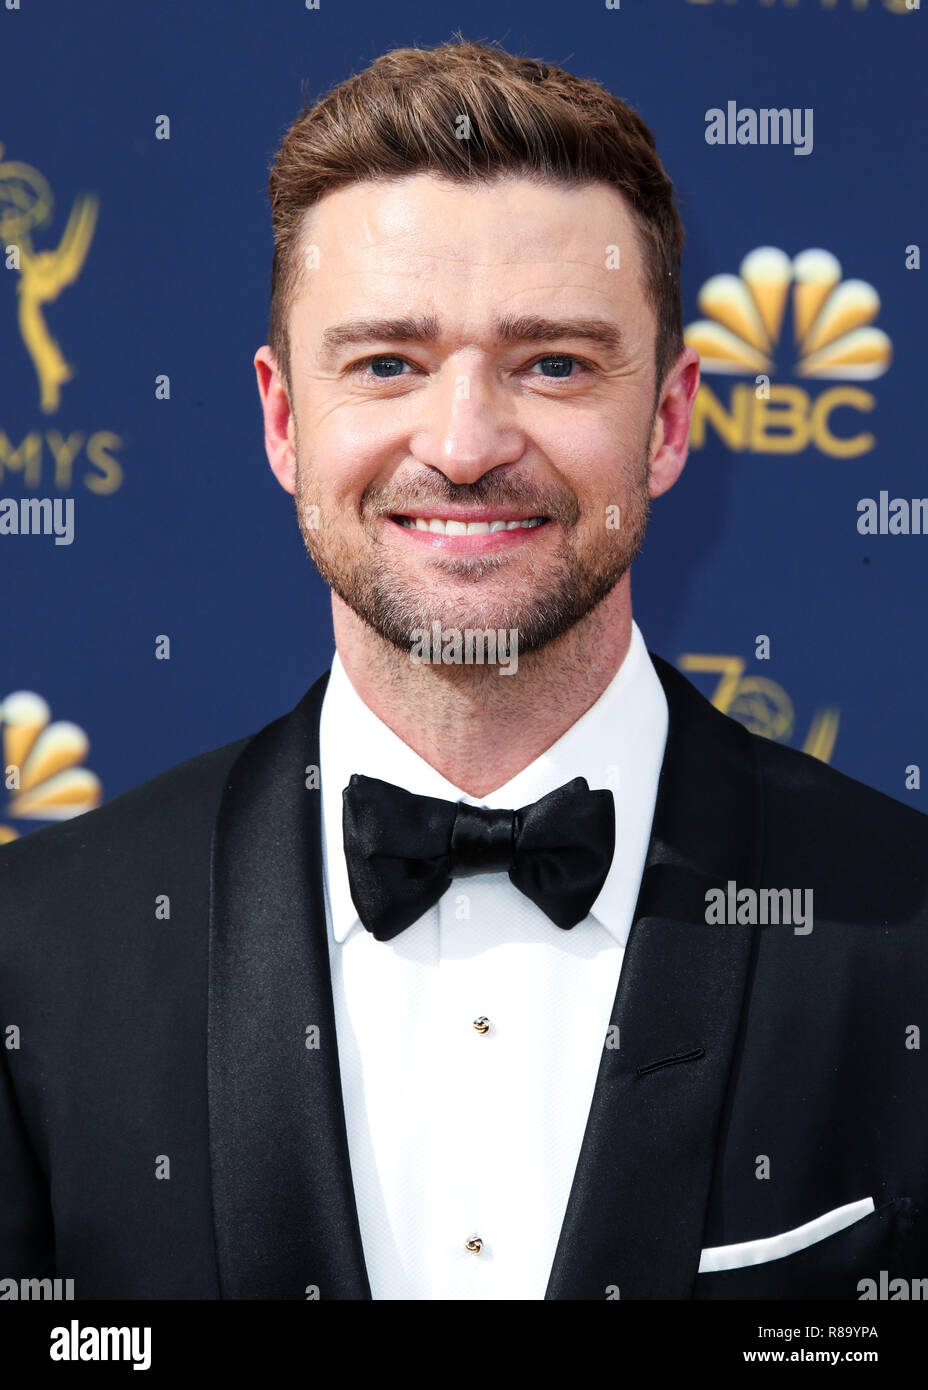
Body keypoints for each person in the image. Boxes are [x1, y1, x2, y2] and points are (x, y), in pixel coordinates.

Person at [1, 38, 926, 1302]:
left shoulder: (904, 935)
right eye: (387, 362)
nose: (465, 442)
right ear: (282, 419)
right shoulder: (41, 950)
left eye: (552, 362)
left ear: (665, 420)